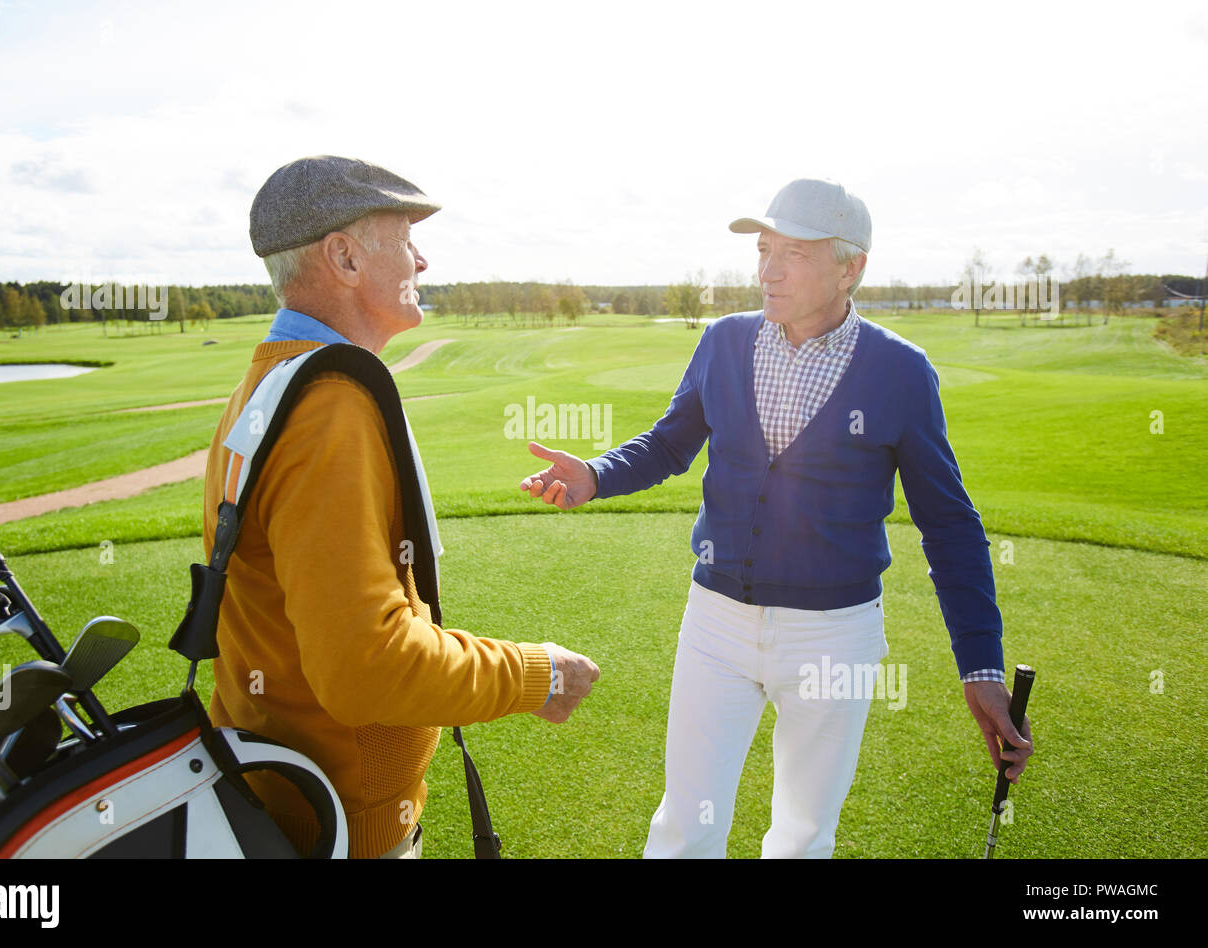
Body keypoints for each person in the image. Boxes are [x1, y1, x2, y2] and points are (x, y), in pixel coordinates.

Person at [519, 178, 1032, 858]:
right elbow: (670, 443)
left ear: (851, 267)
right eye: (763, 249)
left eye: (792, 252)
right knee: (686, 824)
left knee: (801, 834)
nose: (767, 270)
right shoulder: (724, 342)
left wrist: (981, 669)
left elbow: (950, 525)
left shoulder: (900, 372)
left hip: (836, 637)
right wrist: (594, 475)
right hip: (717, 622)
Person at [203, 155, 600, 859]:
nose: (423, 255)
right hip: (334, 829)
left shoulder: (277, 374)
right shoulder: (330, 405)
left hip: (278, 801)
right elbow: (366, 667)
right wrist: (539, 674)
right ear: (345, 257)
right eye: (404, 234)